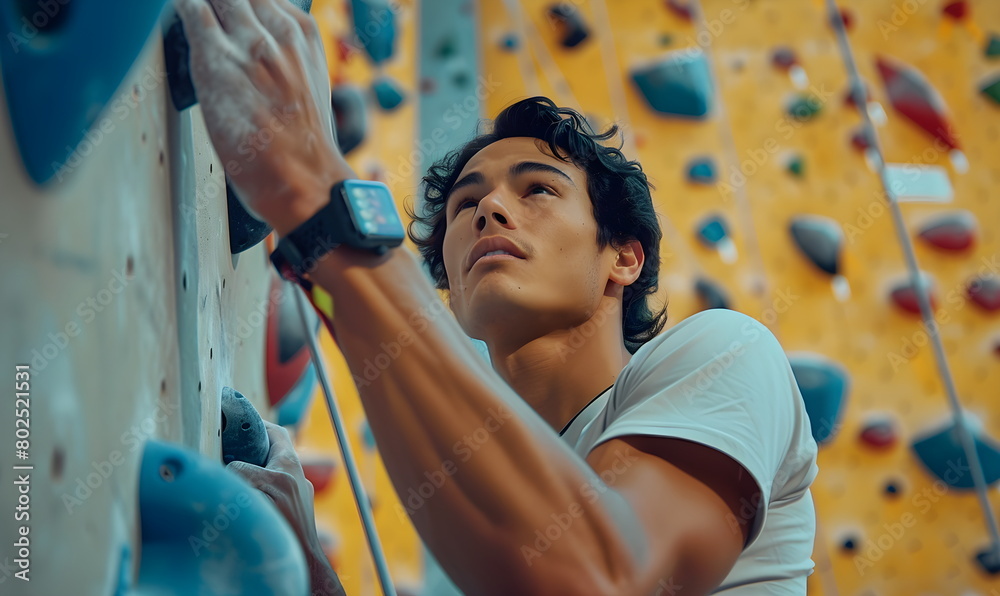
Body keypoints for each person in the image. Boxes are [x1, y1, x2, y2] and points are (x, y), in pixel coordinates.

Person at [173, 0, 819, 594]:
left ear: (623, 256)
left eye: (537, 188)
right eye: (465, 206)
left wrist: (315, 193)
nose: (490, 211)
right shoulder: (501, 509)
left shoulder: (728, 354)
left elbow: (600, 578)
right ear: (451, 294)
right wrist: (308, 575)